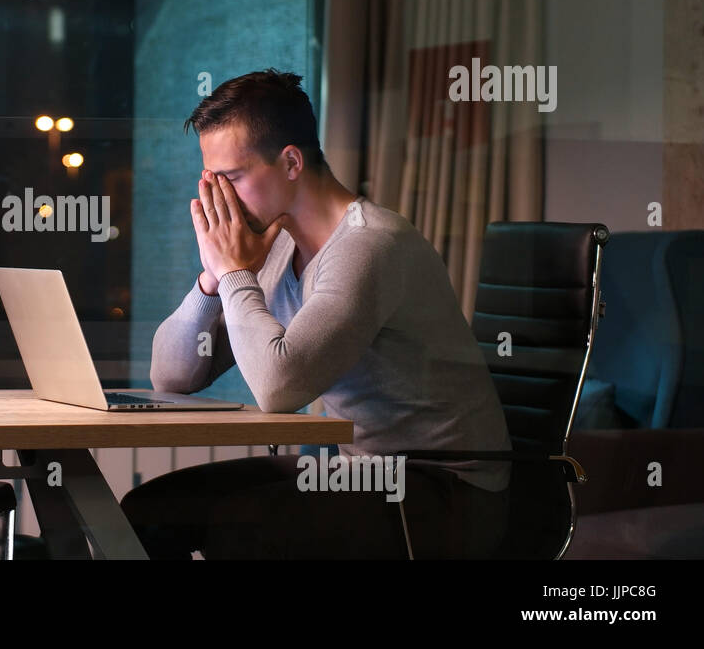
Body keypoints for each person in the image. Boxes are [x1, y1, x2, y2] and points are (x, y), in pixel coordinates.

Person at [121, 68, 511, 559]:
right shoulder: (273, 246)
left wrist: (236, 272)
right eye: (211, 180)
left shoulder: (369, 245)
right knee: (148, 511)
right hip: (357, 470)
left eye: (233, 178)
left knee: (242, 529)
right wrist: (211, 278)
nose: (217, 198)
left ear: (290, 163)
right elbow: (171, 376)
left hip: (446, 491)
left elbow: (279, 388)